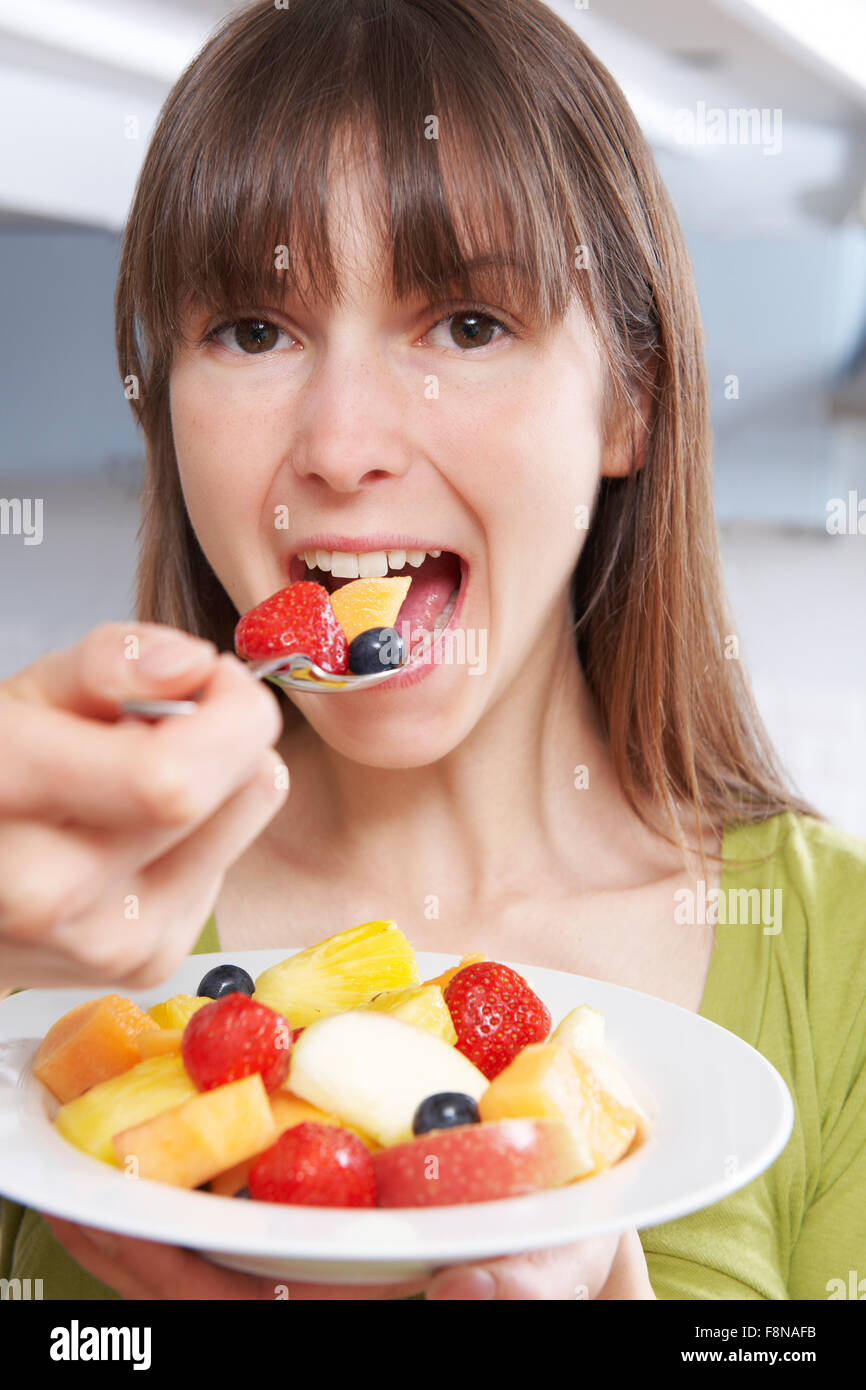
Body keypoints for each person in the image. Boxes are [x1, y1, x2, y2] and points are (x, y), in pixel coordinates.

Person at [2, 0, 864, 1301]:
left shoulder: (837, 956)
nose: (342, 444)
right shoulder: (60, 938)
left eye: (464, 324)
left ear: (628, 396)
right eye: (253, 330)